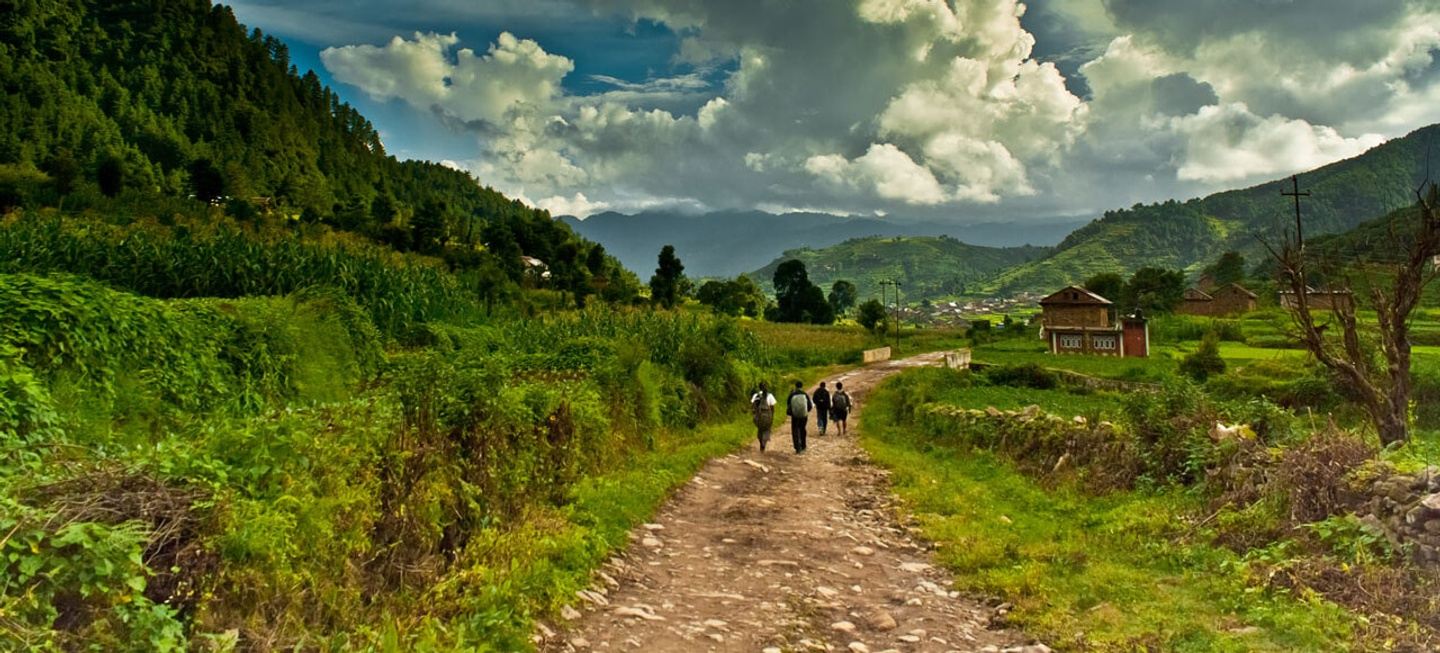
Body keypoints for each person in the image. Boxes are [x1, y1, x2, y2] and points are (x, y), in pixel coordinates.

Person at [786, 380, 812, 454]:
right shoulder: (805, 394)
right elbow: (809, 406)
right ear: (802, 386)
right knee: (802, 429)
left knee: (795, 430)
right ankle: (803, 446)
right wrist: (806, 411)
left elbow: (788, 404)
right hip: (804, 415)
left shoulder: (792, 394)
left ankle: (797, 447)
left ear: (796, 386)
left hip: (795, 416)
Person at [751, 382, 777, 452]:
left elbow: (753, 405)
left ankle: (761, 442)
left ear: (759, 387)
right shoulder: (770, 395)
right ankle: (763, 444)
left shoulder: (756, 395)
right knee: (767, 429)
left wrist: (754, 415)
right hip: (767, 416)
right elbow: (772, 407)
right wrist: (772, 416)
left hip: (759, 416)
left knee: (760, 429)